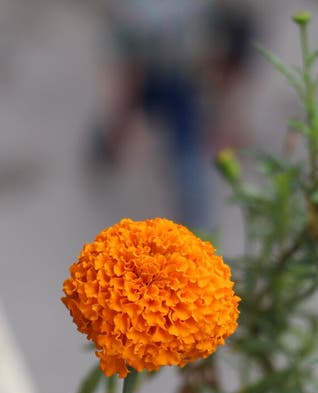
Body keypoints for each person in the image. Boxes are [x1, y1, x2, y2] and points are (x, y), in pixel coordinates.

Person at [90, 0, 256, 230]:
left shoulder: (137, 14)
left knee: (183, 148)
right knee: (186, 149)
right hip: (171, 78)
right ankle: (195, 216)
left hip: (165, 77)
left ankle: (105, 151)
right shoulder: (195, 13)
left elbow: (128, 72)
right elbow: (212, 62)